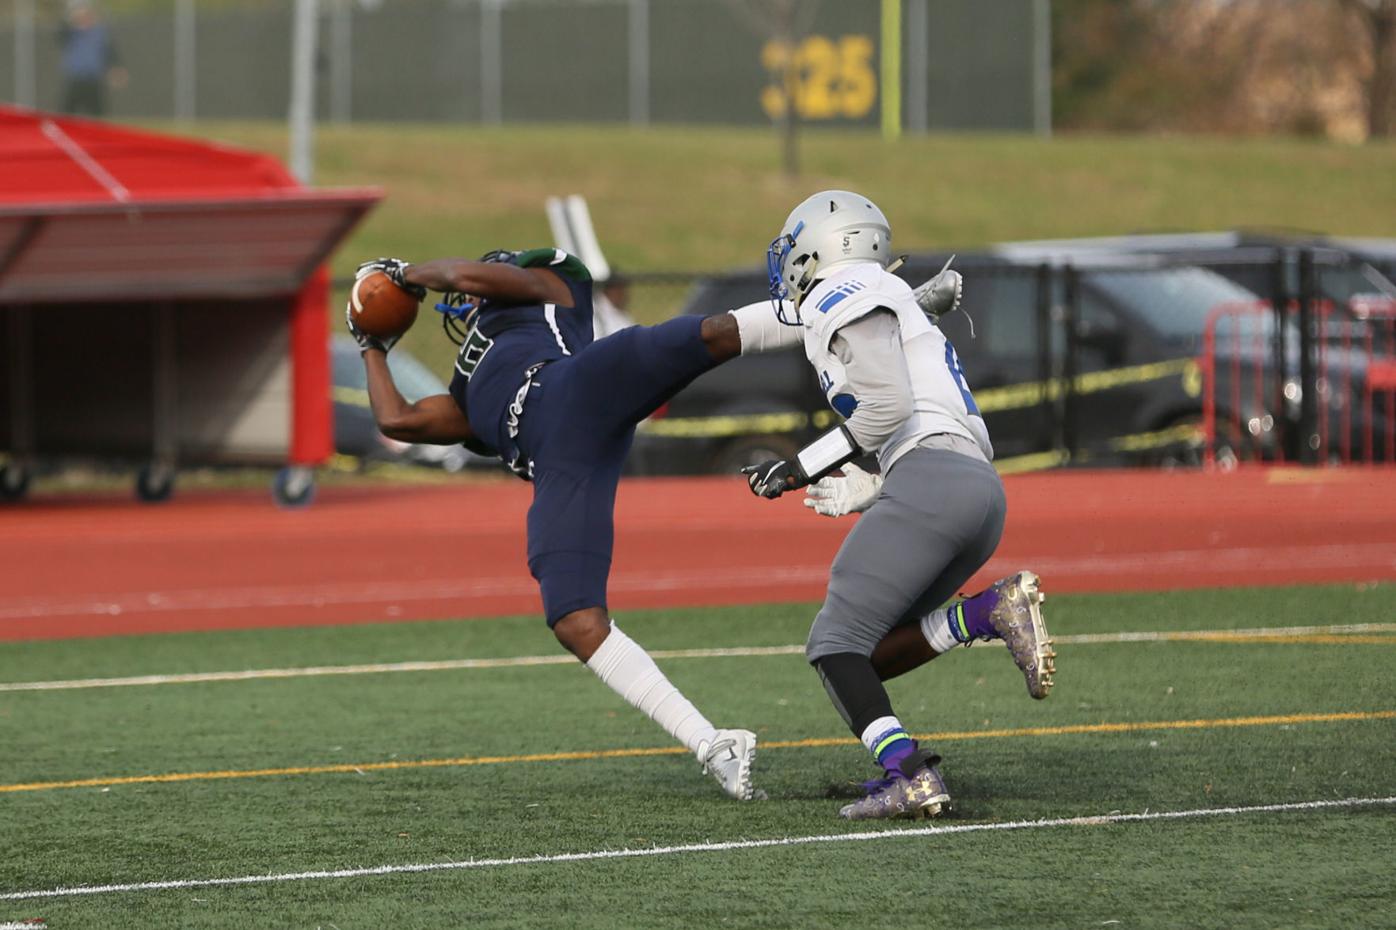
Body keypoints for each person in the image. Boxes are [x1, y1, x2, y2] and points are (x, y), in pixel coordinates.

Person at [345, 246, 832, 801]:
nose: (469, 294)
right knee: (574, 619)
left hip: (579, 384)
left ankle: (841, 310)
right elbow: (397, 418)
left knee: (706, 335)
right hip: (563, 458)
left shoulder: (549, 286)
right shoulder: (467, 393)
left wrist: (402, 274)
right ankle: (713, 742)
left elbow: (458, 273)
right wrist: (371, 345)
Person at [740, 190, 1056, 820]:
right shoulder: (882, 295)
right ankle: (982, 613)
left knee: (833, 643)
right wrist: (878, 485)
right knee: (868, 652)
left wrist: (797, 467)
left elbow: (889, 407)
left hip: (932, 482)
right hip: (972, 490)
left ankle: (909, 773)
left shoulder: (842, 292)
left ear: (823, 248)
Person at [58, 2, 126, 118]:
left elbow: (109, 52)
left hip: (93, 79)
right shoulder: (72, 33)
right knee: (66, 112)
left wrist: (116, 69)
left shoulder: (99, 34)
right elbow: (60, 32)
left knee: (97, 113)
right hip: (76, 79)